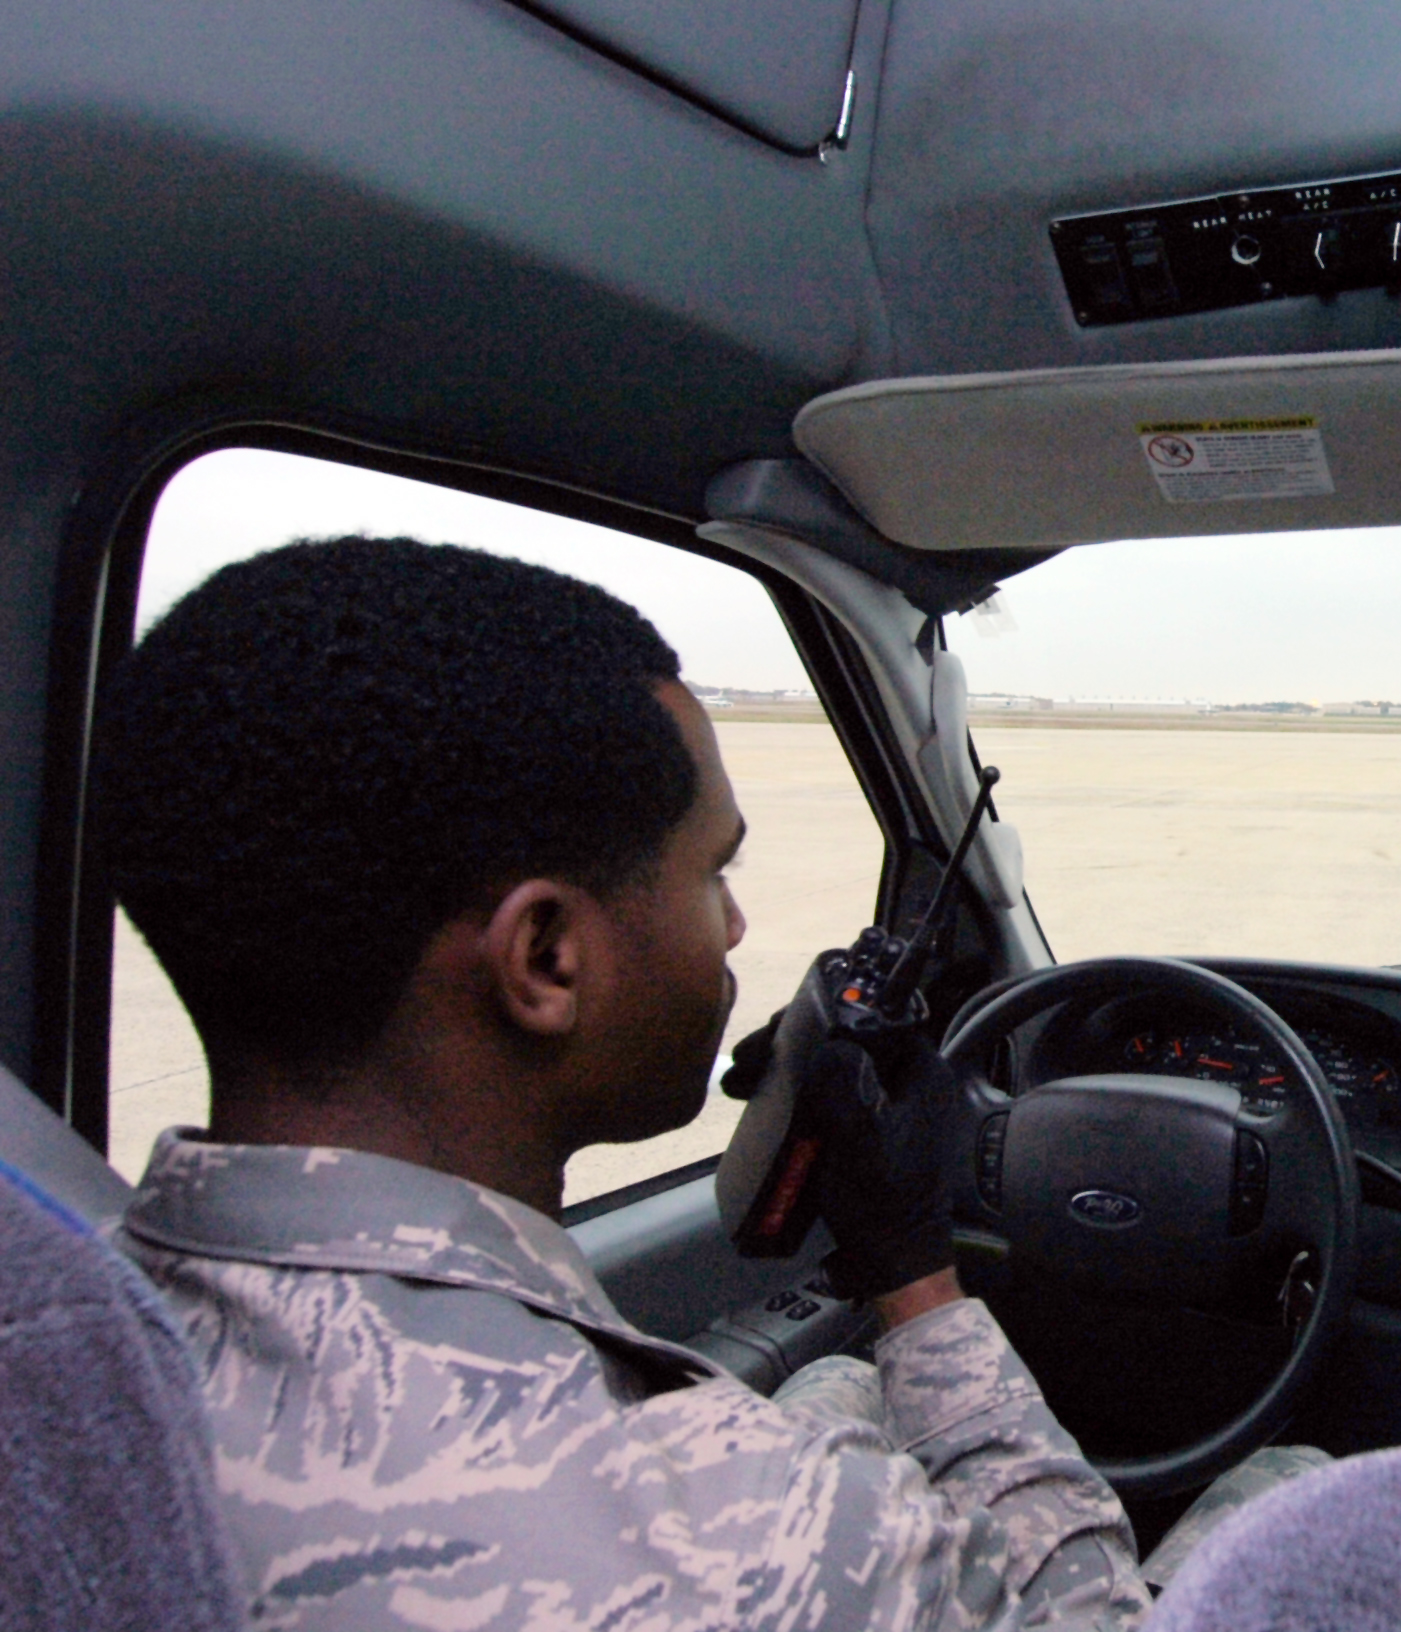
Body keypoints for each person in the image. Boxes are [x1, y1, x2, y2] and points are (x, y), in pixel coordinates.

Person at [89, 536, 1251, 1631]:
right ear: (546, 958)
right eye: (715, 874)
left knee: (839, 1385)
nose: (736, 927)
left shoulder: (66, 1332)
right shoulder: (762, 1535)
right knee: (1280, 1482)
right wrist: (917, 1279)